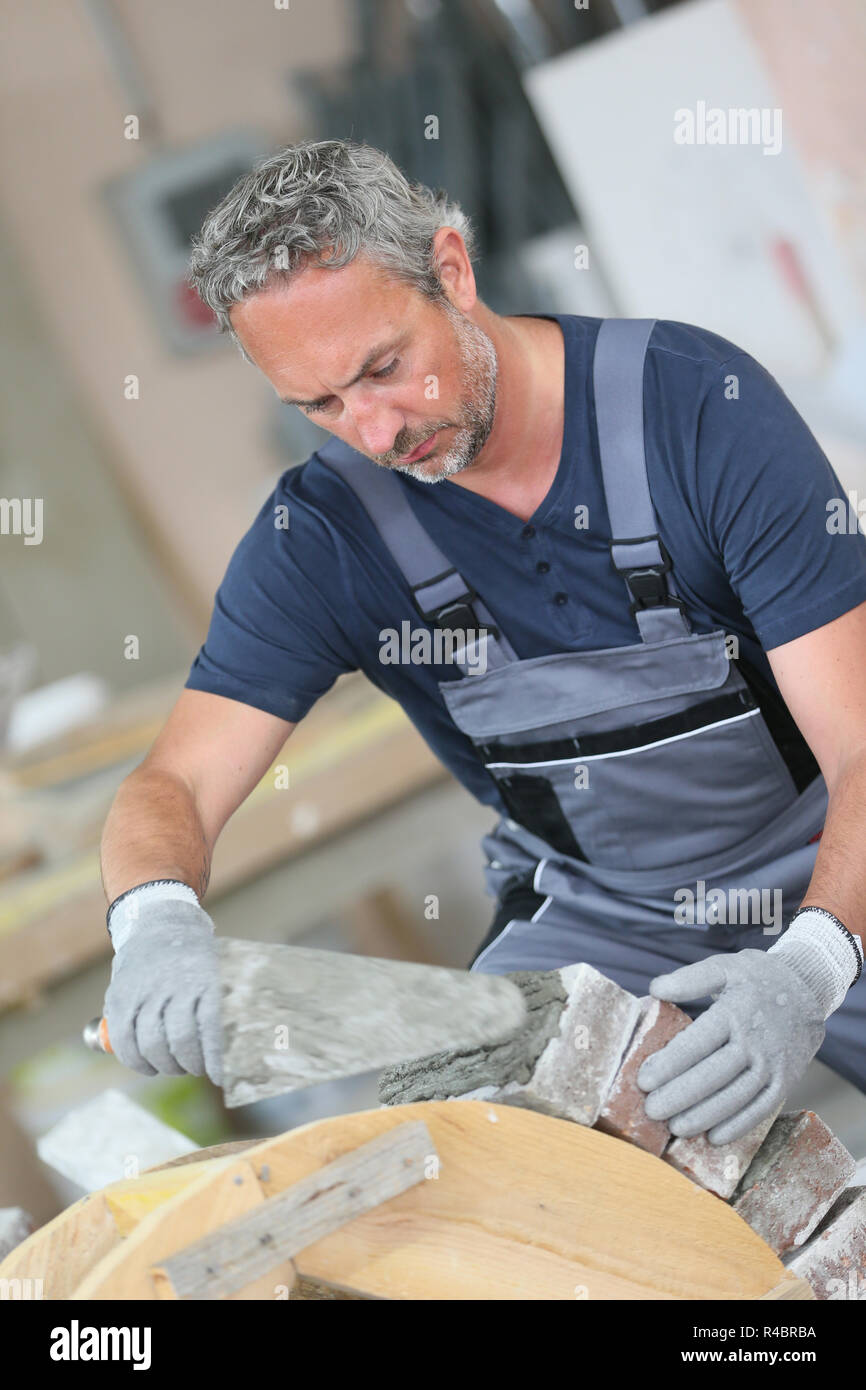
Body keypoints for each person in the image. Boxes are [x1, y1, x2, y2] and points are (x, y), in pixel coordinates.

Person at [100, 140, 865, 1147]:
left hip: (833, 851)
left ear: (452, 271)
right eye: (320, 405)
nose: (371, 431)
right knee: (474, 1152)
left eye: (383, 369)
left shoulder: (692, 407)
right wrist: (152, 915)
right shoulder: (325, 535)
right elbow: (177, 786)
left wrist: (808, 962)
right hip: (612, 914)